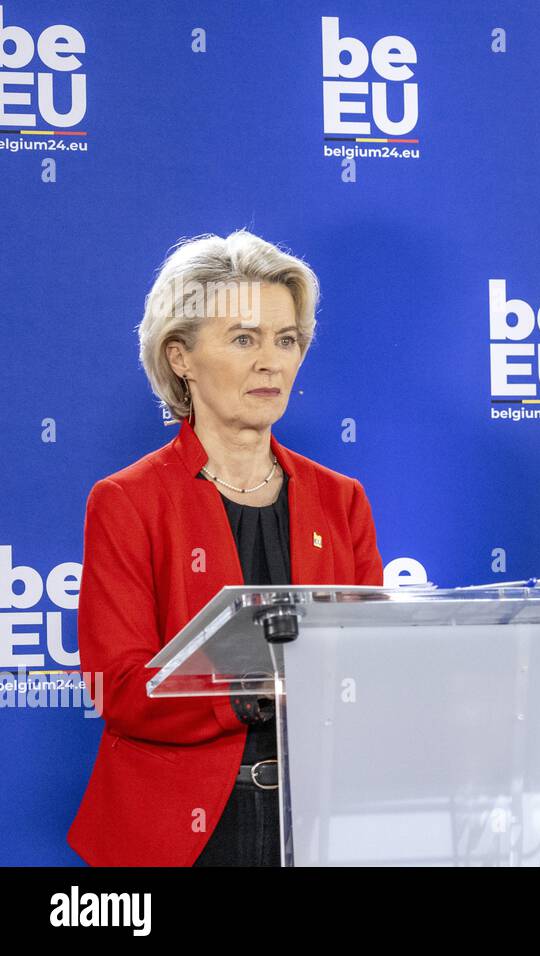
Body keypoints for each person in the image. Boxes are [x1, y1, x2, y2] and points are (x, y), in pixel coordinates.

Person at [67, 230, 384, 866]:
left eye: (286, 339)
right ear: (180, 357)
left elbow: (371, 667)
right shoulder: (127, 501)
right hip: (183, 837)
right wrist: (250, 692)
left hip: (321, 825)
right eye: (244, 339)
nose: (272, 362)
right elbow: (117, 687)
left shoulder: (341, 499)